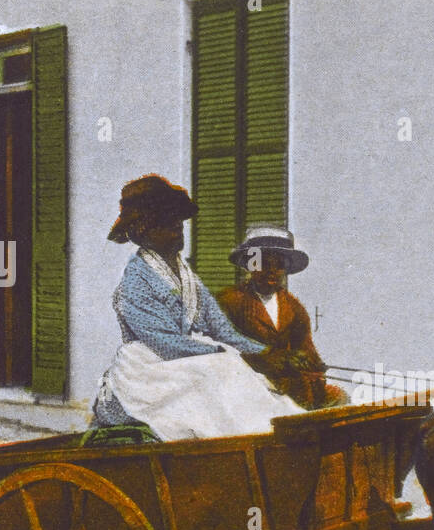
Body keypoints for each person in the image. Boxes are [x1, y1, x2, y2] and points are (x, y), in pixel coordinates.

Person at [91, 175, 304, 440]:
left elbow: (223, 330)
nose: (177, 229)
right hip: (147, 368)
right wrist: (223, 353)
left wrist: (266, 353)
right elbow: (166, 343)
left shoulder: (188, 278)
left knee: (244, 375)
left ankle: (277, 431)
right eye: (166, 224)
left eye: (178, 222)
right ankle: (249, 440)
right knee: (223, 368)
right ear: (143, 232)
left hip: (186, 359)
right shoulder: (134, 282)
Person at [217, 225, 348, 410]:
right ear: (250, 266)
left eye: (278, 265)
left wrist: (315, 369)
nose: (271, 271)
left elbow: (306, 349)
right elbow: (222, 351)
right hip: (249, 390)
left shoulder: (293, 307)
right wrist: (269, 360)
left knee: (339, 398)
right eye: (263, 263)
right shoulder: (229, 301)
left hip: (292, 390)